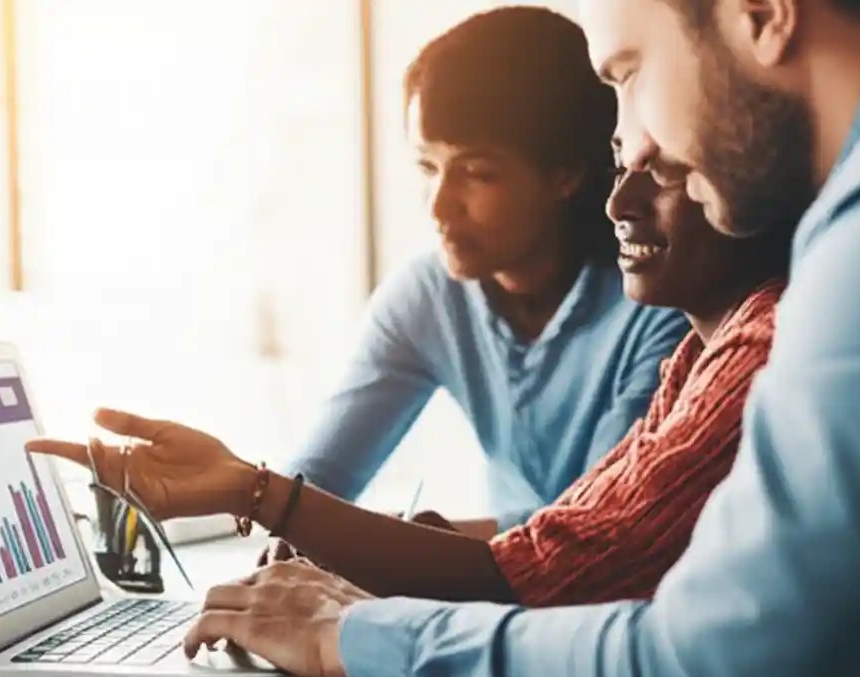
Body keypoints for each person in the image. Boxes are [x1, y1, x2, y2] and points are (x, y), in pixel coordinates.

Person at [116, 1, 860, 677]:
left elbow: (708, 673)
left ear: (763, 11)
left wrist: (348, 634)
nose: (630, 148)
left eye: (629, 71)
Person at [30, 155, 860, 677]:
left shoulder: (757, 347)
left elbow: (552, 573)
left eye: (668, 169)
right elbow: (574, 533)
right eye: (623, 165)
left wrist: (275, 519)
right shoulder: (706, 347)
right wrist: (296, 530)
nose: (621, 202)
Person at [276, 7, 686, 536]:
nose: (439, 206)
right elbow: (314, 482)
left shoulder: (657, 303)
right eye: (427, 167)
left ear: (565, 174)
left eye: (475, 173)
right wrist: (281, 530)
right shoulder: (428, 297)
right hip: (485, 595)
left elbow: (596, 527)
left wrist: (412, 541)